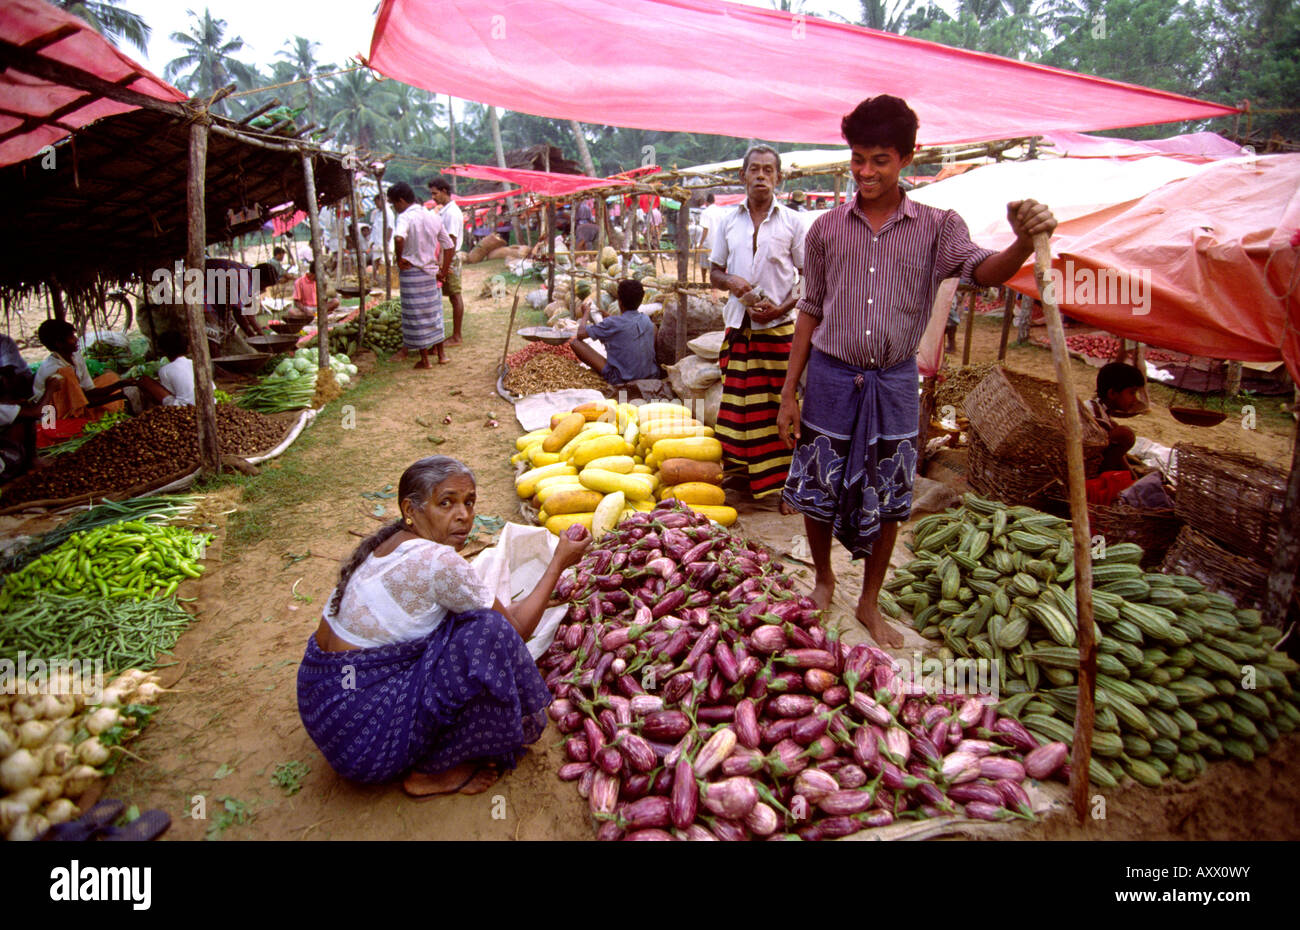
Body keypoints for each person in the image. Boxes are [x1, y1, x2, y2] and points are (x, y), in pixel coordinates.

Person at [777, 95, 1057, 647]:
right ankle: (825, 578)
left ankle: (869, 601)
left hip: (897, 380)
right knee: (816, 485)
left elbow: (985, 271)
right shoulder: (827, 230)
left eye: (880, 159)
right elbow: (810, 310)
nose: (865, 171)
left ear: (908, 158)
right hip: (831, 374)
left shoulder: (937, 227)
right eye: (857, 158)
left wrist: (1023, 241)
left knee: (891, 491)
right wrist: (790, 392)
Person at [297, 456, 590, 797]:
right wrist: (559, 562)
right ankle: (430, 773)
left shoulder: (386, 545)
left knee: (470, 621)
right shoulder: (440, 562)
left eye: (469, 502)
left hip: (322, 707)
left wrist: (532, 601)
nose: (464, 515)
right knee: (489, 635)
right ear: (411, 509)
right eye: (446, 503)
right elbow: (511, 630)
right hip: (365, 742)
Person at [709, 145, 807, 503]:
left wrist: (782, 308)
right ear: (743, 176)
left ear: (778, 177)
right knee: (737, 411)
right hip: (740, 329)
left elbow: (810, 279)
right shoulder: (726, 221)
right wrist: (731, 282)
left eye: (769, 170)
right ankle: (744, 479)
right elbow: (715, 272)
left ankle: (786, 488)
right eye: (755, 170)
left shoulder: (793, 222)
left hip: (779, 333)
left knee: (780, 408)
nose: (761, 176)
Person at [389, 182, 454, 368]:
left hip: (412, 273)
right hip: (431, 272)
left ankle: (425, 360)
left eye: (395, 204)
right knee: (434, 314)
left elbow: (399, 237)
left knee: (415, 316)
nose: (395, 208)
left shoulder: (405, 217)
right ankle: (441, 355)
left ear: (401, 201)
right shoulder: (432, 215)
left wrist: (399, 258)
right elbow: (448, 245)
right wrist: (443, 271)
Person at [30, 319, 132, 425]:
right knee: (87, 414)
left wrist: (120, 384)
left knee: (110, 378)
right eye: (71, 337)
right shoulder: (56, 371)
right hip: (55, 414)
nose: (76, 340)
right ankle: (79, 420)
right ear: (59, 344)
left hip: (79, 398)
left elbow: (89, 390)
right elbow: (85, 400)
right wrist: (118, 394)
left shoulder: (76, 357)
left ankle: (92, 416)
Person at [568, 278, 659, 384]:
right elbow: (626, 326)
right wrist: (608, 317)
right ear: (641, 300)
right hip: (650, 376)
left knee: (575, 342)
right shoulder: (646, 319)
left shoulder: (612, 323)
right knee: (652, 329)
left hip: (622, 379)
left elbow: (580, 334)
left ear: (619, 302)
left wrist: (586, 314)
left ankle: (612, 376)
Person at [427, 177, 467, 346]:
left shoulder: (451, 213)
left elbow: (449, 242)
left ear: (444, 191)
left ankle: (457, 336)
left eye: (435, 194)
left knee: (455, 295)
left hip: (449, 258)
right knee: (453, 296)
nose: (433, 197)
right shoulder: (445, 211)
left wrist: (444, 268)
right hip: (445, 257)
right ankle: (454, 334)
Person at [132, 330, 213, 408]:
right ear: (187, 348)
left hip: (184, 408)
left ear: (163, 351)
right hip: (209, 403)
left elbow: (168, 393)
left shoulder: (165, 370)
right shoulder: (195, 363)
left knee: (145, 380)